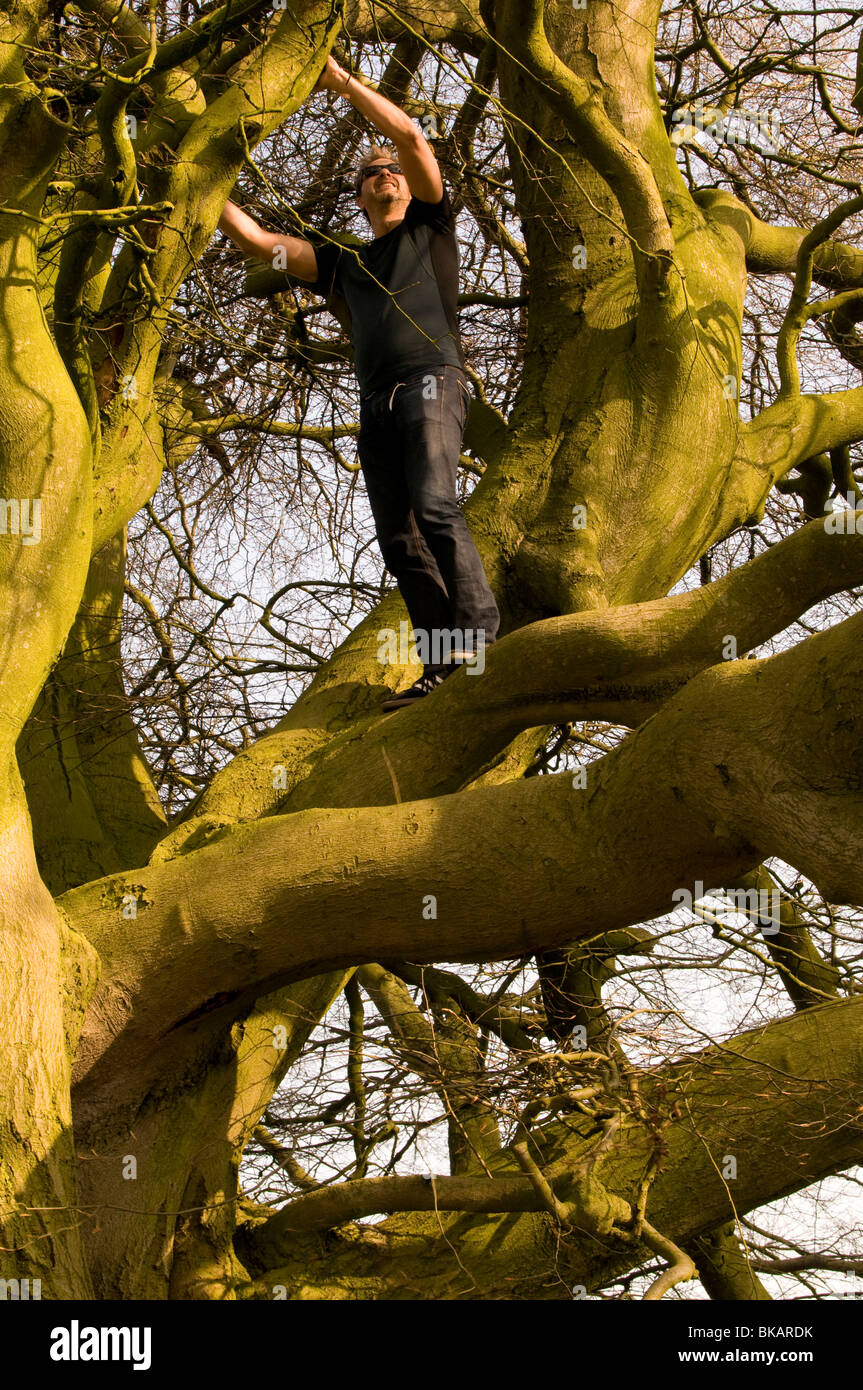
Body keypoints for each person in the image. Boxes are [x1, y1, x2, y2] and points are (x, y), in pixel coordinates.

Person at [217, 54, 500, 710]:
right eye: (369, 173)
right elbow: (260, 242)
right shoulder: (340, 264)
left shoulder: (431, 226)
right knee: (399, 541)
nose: (383, 175)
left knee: (434, 505)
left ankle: (479, 632)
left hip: (433, 381)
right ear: (359, 195)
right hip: (377, 404)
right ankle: (441, 664)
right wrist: (197, 181)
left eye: (390, 170)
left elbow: (408, 135)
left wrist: (339, 81)